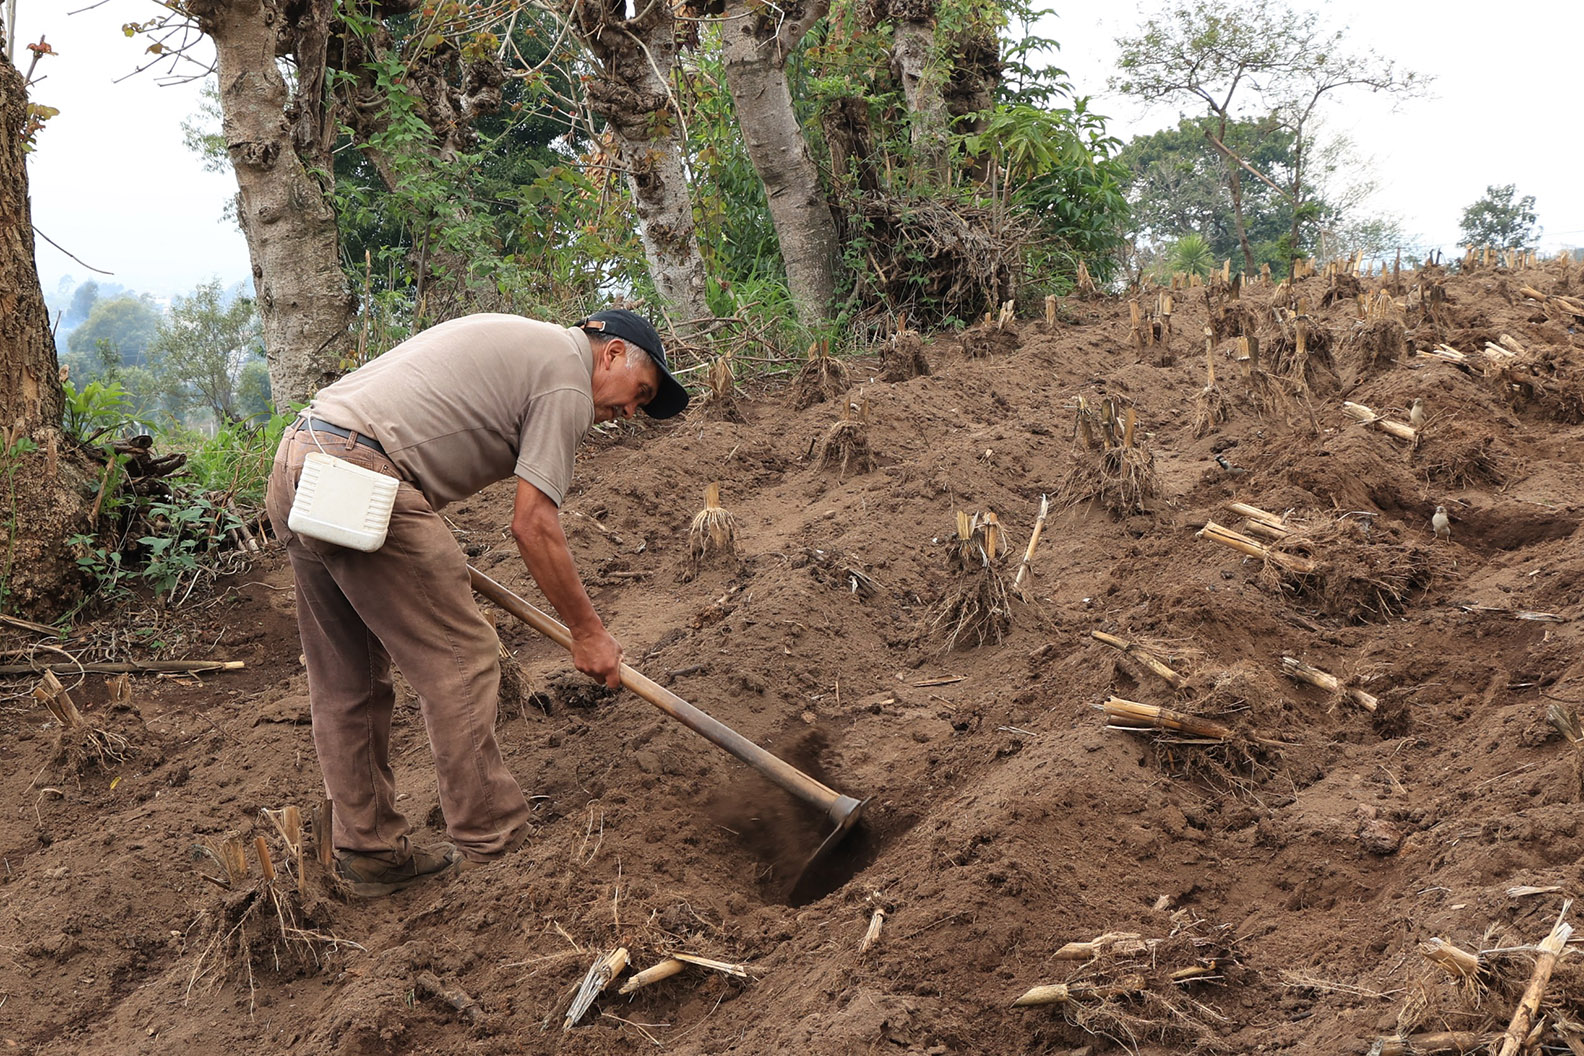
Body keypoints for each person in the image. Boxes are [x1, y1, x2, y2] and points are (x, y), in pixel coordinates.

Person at [263, 309, 688, 896]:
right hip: (360, 473)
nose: (631, 413)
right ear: (611, 353)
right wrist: (588, 631)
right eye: (639, 393)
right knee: (462, 658)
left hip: (300, 460)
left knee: (346, 680)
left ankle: (368, 851)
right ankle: (494, 841)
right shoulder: (567, 378)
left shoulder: (529, 346)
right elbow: (533, 524)